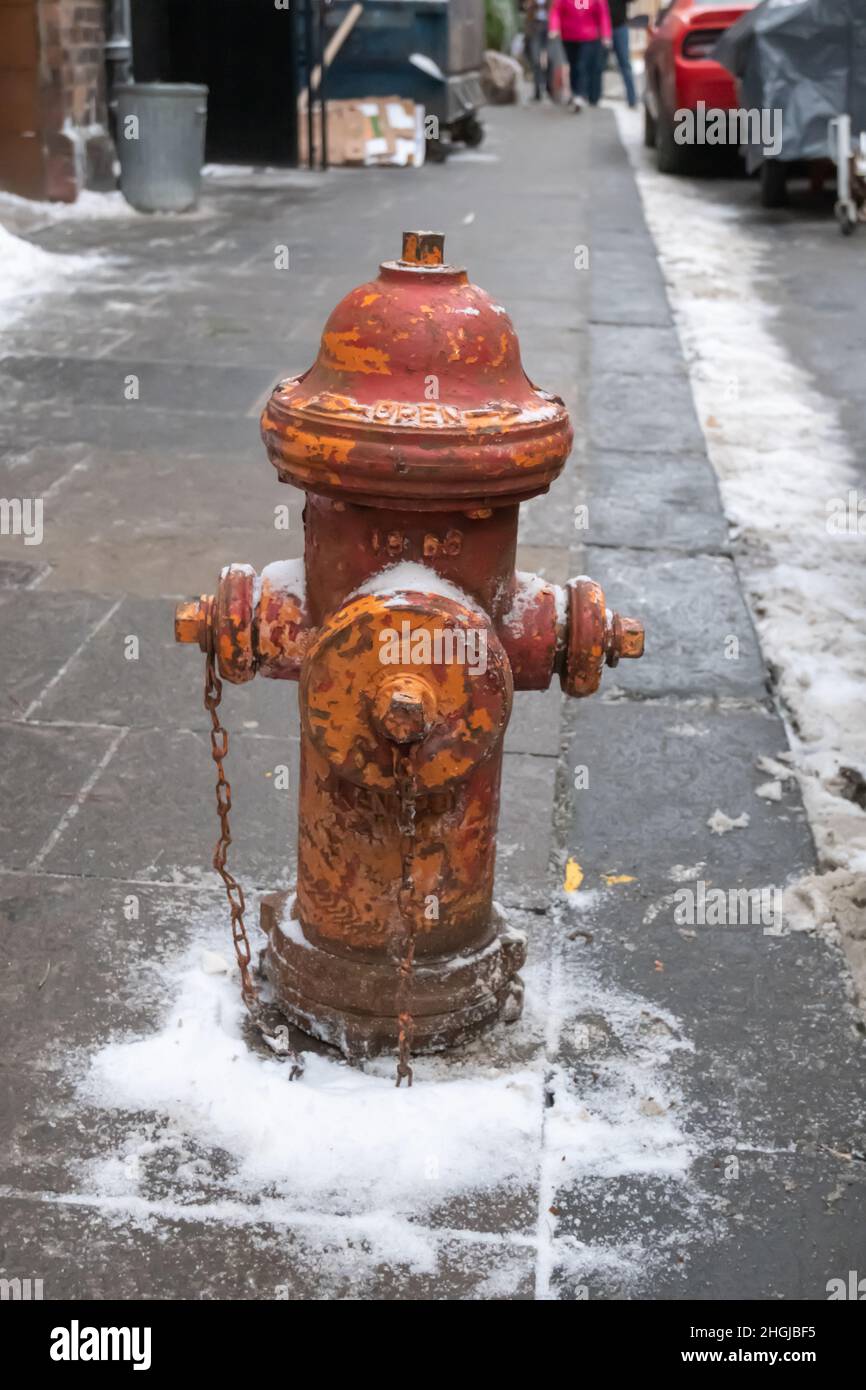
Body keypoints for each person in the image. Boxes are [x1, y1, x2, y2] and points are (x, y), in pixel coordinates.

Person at [548, 0, 612, 111]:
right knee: (572, 65)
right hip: (568, 36)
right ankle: (575, 92)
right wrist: (554, 28)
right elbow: (556, 10)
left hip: (589, 36)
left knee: (582, 65)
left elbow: (603, 14)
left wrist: (606, 34)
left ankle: (581, 94)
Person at [608, 0, 637, 108]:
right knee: (595, 65)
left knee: (625, 64)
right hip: (600, 27)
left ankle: (632, 99)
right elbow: (582, 6)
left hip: (619, 27)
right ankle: (592, 100)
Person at [522, 1, 553, 103]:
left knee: (550, 59)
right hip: (534, 28)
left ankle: (549, 87)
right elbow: (521, 6)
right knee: (536, 60)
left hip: (551, 27)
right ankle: (537, 90)